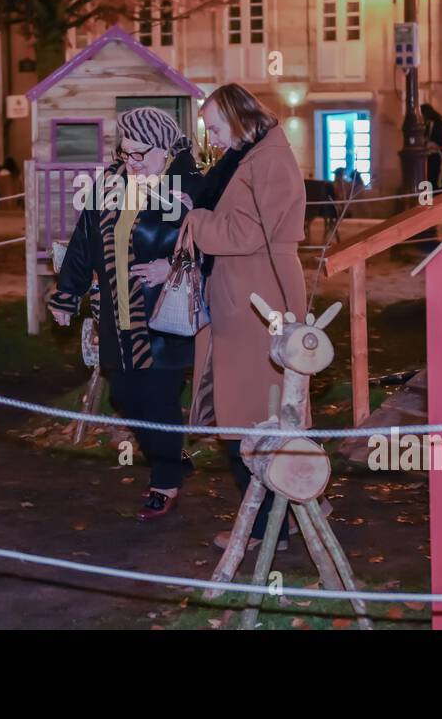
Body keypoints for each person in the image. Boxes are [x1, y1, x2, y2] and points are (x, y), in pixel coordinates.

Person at [49, 107, 203, 521]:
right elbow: (85, 241)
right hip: (117, 310)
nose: (131, 162)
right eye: (124, 153)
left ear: (165, 146)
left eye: (140, 154)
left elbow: (218, 245)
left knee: (156, 395)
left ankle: (165, 480)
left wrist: (172, 266)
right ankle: (170, 452)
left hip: (165, 312)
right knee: (123, 394)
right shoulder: (113, 180)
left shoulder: (189, 184)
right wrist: (67, 295)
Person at [178, 84, 306, 554]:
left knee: (253, 416)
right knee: (250, 413)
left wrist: (195, 221)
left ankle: (263, 528)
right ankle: (280, 518)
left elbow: (245, 232)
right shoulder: (247, 157)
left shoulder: (267, 161)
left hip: (259, 298)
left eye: (215, 127)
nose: (211, 138)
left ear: (238, 117)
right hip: (244, 296)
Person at [421, 103, 442, 190]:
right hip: (438, 159)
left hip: (437, 160)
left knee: (435, 185)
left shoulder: (433, 125)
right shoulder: (439, 123)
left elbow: (427, 141)